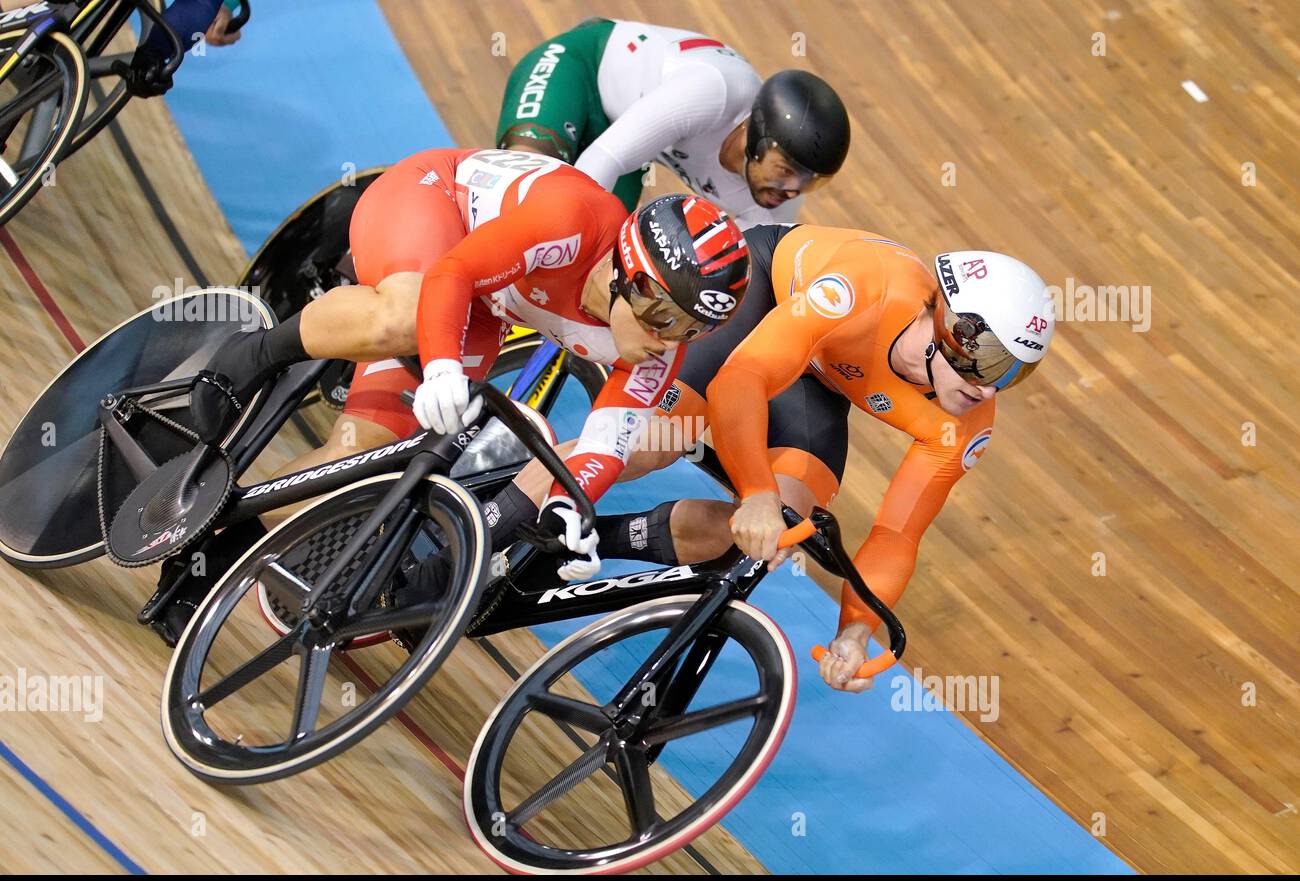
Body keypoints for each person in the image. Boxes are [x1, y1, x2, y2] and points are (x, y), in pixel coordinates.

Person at [145, 148, 750, 642]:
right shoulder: (571, 223)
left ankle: (211, 558)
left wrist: (572, 506)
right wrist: (438, 369)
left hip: (487, 300)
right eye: (667, 319)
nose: (674, 342)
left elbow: (602, 449)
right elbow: (453, 274)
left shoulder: (655, 354)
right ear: (631, 276)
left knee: (357, 462)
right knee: (408, 317)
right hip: (434, 205)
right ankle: (250, 356)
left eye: (697, 330)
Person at [509, 224, 1056, 692]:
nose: (991, 390)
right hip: (763, 297)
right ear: (951, 332)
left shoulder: (964, 422)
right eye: (989, 363)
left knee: (776, 533)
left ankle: (583, 540)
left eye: (1014, 372)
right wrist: (757, 491)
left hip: (821, 377)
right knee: (651, 443)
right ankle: (500, 518)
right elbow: (739, 381)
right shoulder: (866, 290)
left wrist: (855, 631)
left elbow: (897, 534)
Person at [497, 17, 849, 228]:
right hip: (581, 69)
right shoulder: (712, 92)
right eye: (786, 170)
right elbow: (602, 159)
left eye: (808, 183)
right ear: (757, 141)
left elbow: (757, 280)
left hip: (626, 138)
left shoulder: (775, 205)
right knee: (532, 182)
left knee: (601, 249)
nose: (791, 190)